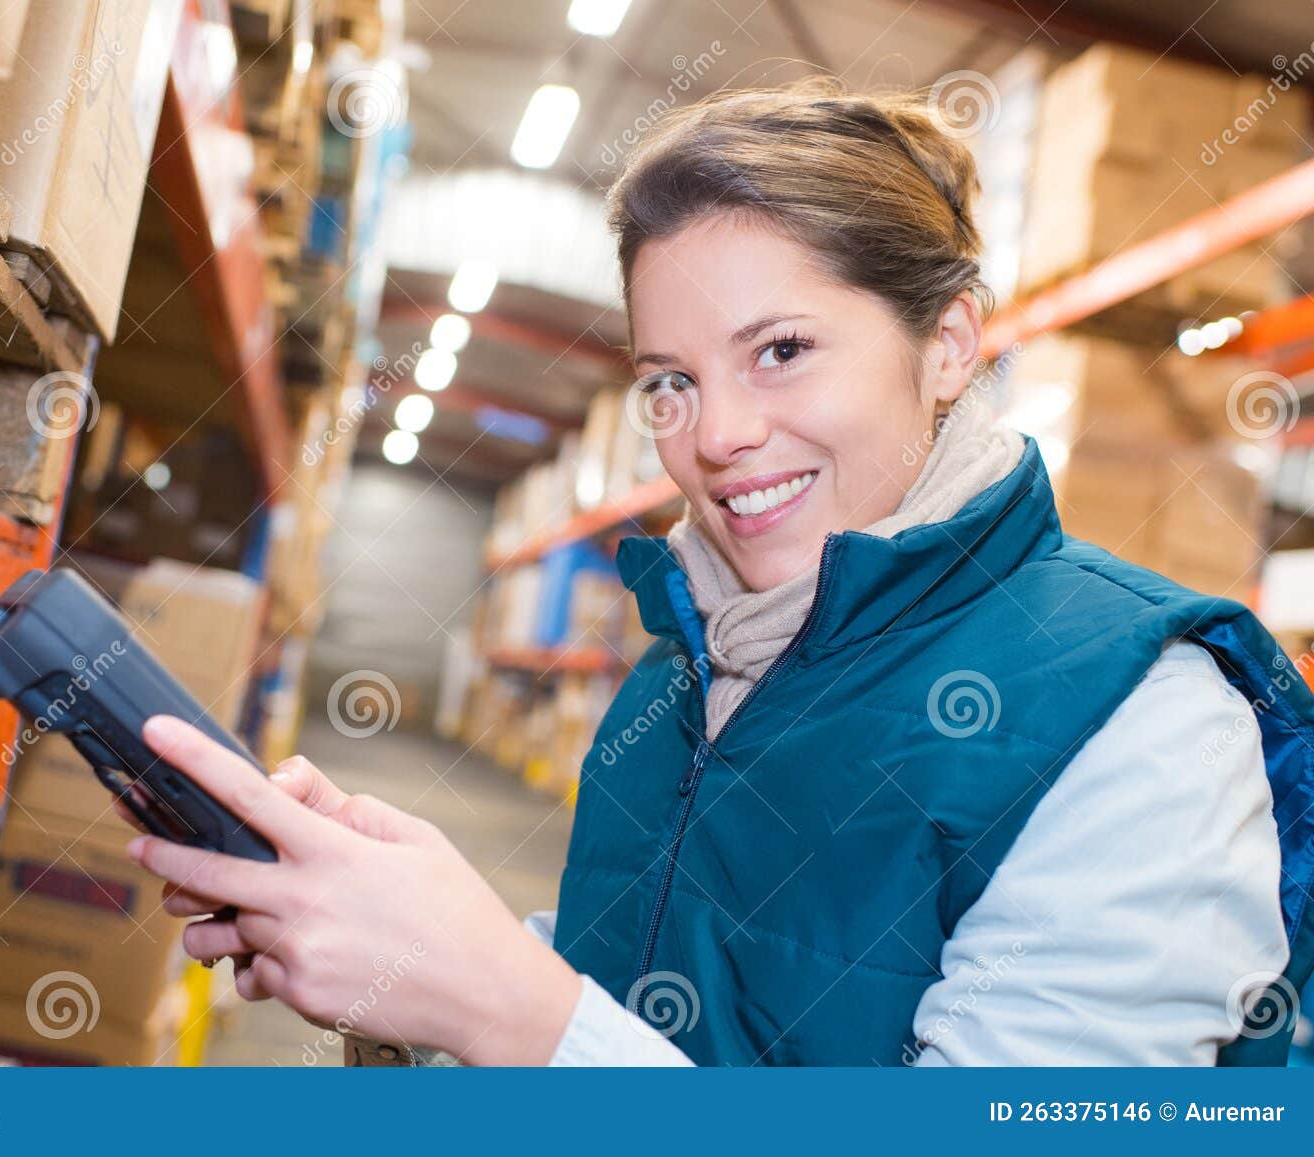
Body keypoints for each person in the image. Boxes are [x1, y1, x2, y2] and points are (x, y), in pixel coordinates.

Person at [124, 83, 1314, 1066]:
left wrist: (507, 1009)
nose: (715, 433)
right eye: (669, 380)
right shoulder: (695, 660)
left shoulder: (1140, 714)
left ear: (947, 345)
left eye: (782, 351)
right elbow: (664, 994)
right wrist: (411, 971)